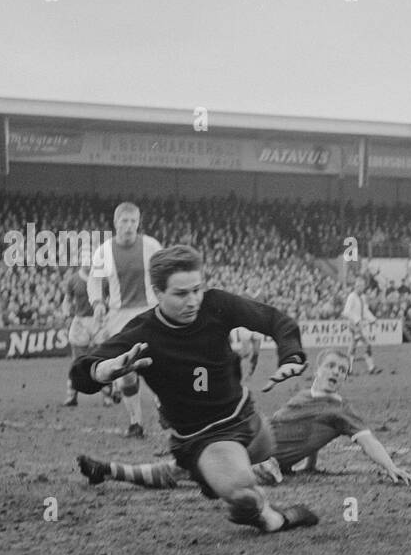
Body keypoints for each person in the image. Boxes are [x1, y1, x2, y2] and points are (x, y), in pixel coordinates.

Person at [69, 244, 318, 534]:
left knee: (265, 450)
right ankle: (275, 519)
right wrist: (103, 370)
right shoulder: (143, 333)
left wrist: (291, 355)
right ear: (158, 293)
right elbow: (80, 371)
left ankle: (207, 476)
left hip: (246, 416)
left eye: (197, 290)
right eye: (181, 294)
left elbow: (275, 320)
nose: (193, 301)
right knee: (243, 496)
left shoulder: (215, 304)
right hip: (204, 437)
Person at [77, 349, 411, 490]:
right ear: (318, 369)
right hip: (247, 440)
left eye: (343, 371)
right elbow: (315, 431)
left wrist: (389, 466)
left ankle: (108, 470)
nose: (337, 374)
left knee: (189, 470)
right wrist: (310, 462)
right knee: (190, 461)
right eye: (332, 367)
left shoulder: (342, 409)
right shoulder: (304, 395)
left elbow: (365, 438)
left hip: (263, 462)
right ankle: (110, 469)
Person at [87, 202, 162, 437]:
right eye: (124, 221)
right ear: (115, 223)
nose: (129, 226)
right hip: (119, 317)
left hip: (150, 312)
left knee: (161, 364)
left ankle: (165, 407)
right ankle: (135, 423)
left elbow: (165, 272)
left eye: (133, 221)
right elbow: (94, 280)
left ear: (138, 222)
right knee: (127, 372)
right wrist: (98, 303)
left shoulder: (151, 245)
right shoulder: (104, 251)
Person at [61, 254, 99, 407]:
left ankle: (110, 392)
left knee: (103, 357)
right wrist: (66, 314)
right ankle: (72, 395)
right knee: (77, 360)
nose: (87, 262)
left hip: (99, 321)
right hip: (81, 320)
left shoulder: (101, 278)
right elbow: (67, 299)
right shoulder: (73, 279)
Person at [342, 275, 382, 375]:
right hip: (354, 325)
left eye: (363, 285)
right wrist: (356, 320)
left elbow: (365, 311)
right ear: (357, 286)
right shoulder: (352, 297)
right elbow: (346, 312)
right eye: (361, 286)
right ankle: (371, 368)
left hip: (358, 325)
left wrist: (373, 319)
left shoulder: (362, 297)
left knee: (353, 347)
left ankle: (348, 369)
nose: (363, 287)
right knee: (367, 344)